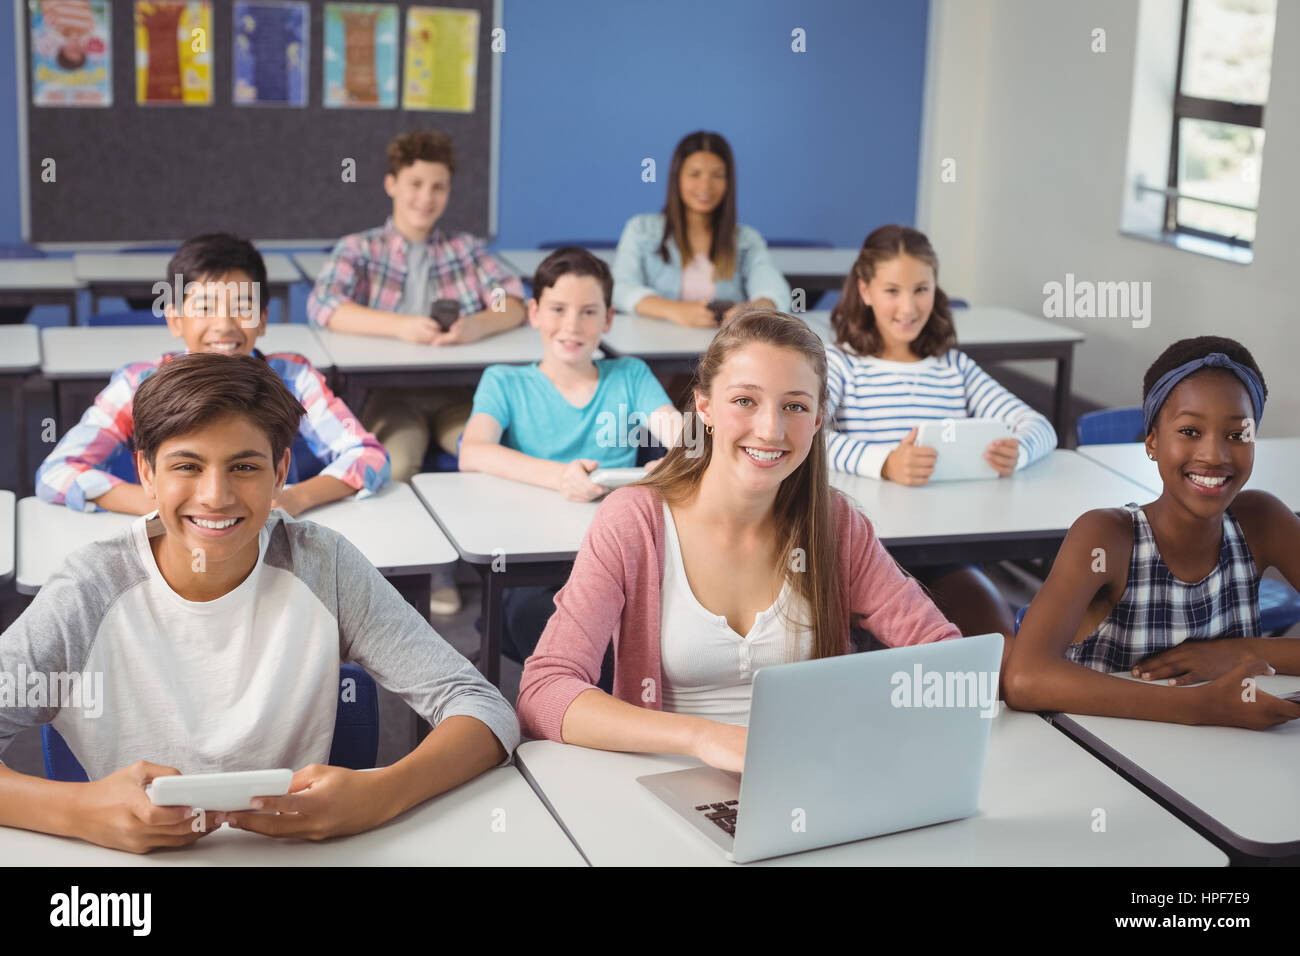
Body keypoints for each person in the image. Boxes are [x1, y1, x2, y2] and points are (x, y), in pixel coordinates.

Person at [0, 353, 519, 853]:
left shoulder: (323, 564)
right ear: (146, 473)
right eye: (187, 465)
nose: (216, 495)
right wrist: (79, 810)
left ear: (279, 472)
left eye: (244, 467)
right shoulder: (89, 589)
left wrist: (383, 792)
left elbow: (482, 707)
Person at [516, 311, 963, 771]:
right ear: (705, 409)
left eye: (794, 406)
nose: (770, 429)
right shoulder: (635, 521)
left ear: (817, 420)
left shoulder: (835, 523)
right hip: (662, 782)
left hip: (806, 779)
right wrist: (703, 739)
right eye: (745, 400)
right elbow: (544, 693)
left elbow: (943, 658)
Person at [1005, 336, 1300, 729]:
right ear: (1152, 442)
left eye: (1237, 434)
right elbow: (1025, 678)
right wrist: (1201, 707)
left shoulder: (1263, 520)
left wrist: (1238, 652)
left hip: (1229, 757)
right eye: (1190, 431)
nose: (1214, 455)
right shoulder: (1106, 537)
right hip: (1101, 759)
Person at [307, 129, 528, 613]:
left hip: (456, 394)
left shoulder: (464, 251)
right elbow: (324, 305)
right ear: (391, 184)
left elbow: (512, 300)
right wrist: (401, 326)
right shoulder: (361, 249)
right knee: (397, 464)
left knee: (486, 453)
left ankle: (496, 566)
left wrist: (476, 326)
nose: (426, 198)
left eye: (438, 187)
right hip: (393, 395)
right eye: (415, 184)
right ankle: (422, 571)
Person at [37, 233, 388, 516]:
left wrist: (295, 499)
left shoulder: (293, 378)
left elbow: (368, 457)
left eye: (242, 308)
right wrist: (160, 505)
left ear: (263, 319)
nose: (224, 325)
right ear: (175, 319)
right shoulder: (138, 385)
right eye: (205, 307)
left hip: (265, 539)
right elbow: (57, 472)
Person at [824, 224, 1058, 638]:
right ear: (864, 291)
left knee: (997, 642)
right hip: (869, 555)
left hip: (945, 551)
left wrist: (1018, 451)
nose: (909, 307)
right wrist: (885, 462)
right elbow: (808, 435)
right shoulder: (842, 363)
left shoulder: (953, 367)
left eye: (921, 290)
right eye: (892, 290)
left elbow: (1040, 426)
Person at [459, 247, 682, 677]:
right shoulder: (504, 381)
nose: (572, 326)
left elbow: (680, 437)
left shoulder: (630, 375)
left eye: (588, 312)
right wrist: (560, 477)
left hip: (619, 553)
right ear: (534, 313)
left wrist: (673, 469)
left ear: (609, 320)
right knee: (546, 624)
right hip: (534, 563)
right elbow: (474, 450)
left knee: (658, 621)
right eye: (558, 310)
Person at [611, 130, 790, 328]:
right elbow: (619, 288)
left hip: (725, 349)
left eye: (717, 175)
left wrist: (755, 309)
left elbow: (774, 290)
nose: (705, 185)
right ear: (677, 178)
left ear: (729, 182)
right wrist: (674, 310)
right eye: (694, 174)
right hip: (653, 347)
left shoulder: (746, 239)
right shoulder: (641, 229)